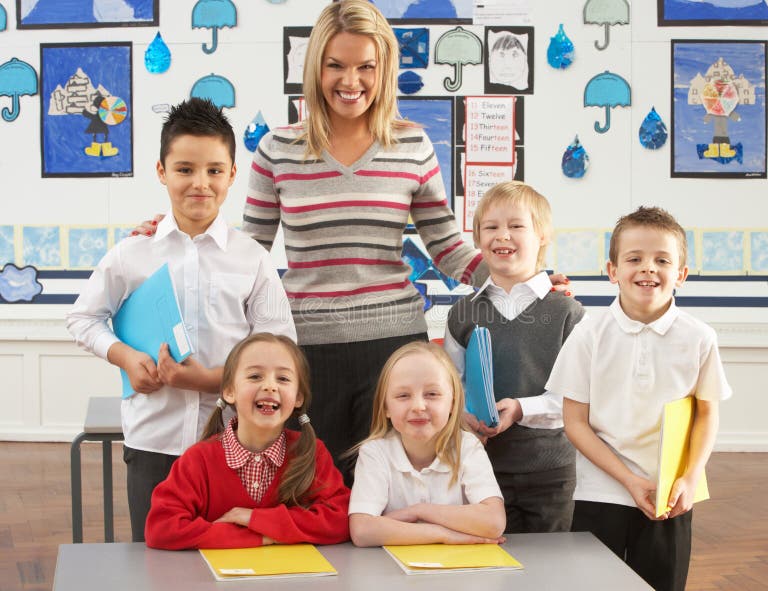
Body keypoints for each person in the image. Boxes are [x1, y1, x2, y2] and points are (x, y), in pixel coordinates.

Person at [134, 1, 568, 481]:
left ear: (384, 69)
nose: (351, 81)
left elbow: (447, 246)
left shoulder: (413, 146)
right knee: (311, 494)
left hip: (394, 349)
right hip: (305, 351)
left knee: (393, 493)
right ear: (315, 66)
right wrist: (178, 234)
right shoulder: (276, 150)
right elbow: (246, 253)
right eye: (335, 66)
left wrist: (529, 285)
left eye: (367, 67)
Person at [66, 98, 296, 542]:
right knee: (157, 558)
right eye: (185, 169)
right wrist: (127, 358)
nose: (200, 184)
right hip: (155, 441)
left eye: (214, 170)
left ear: (232, 174)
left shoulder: (252, 259)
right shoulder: (134, 252)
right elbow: (83, 318)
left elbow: (280, 348)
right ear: (161, 171)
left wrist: (213, 380)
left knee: (234, 552)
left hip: (236, 444)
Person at [546, 206, 732, 591]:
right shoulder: (588, 334)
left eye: (662, 260)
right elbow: (574, 422)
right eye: (635, 259)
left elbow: (706, 414)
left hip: (671, 494)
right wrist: (628, 480)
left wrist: (690, 477)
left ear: (680, 274)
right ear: (612, 270)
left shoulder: (700, 338)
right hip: (600, 490)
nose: (648, 268)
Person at [444, 181, 584, 534]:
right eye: (491, 227)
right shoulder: (461, 314)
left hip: (552, 472)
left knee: (551, 568)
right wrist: (463, 417)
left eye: (516, 226)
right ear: (478, 239)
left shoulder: (569, 312)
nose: (502, 235)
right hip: (481, 470)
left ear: (542, 237)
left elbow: (578, 398)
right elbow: (452, 386)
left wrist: (521, 408)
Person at [145, 333, 350, 549]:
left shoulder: (311, 452)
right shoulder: (198, 460)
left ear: (298, 397)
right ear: (229, 391)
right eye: (255, 376)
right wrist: (262, 537)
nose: (270, 386)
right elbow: (162, 528)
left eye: (283, 379)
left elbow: (340, 518)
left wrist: (255, 519)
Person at [348, 341, 506, 546]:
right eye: (403, 395)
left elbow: (493, 522)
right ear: (385, 407)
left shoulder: (467, 447)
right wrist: (443, 535)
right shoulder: (374, 453)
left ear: (453, 402)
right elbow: (362, 530)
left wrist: (419, 511)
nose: (418, 406)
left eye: (432, 394)